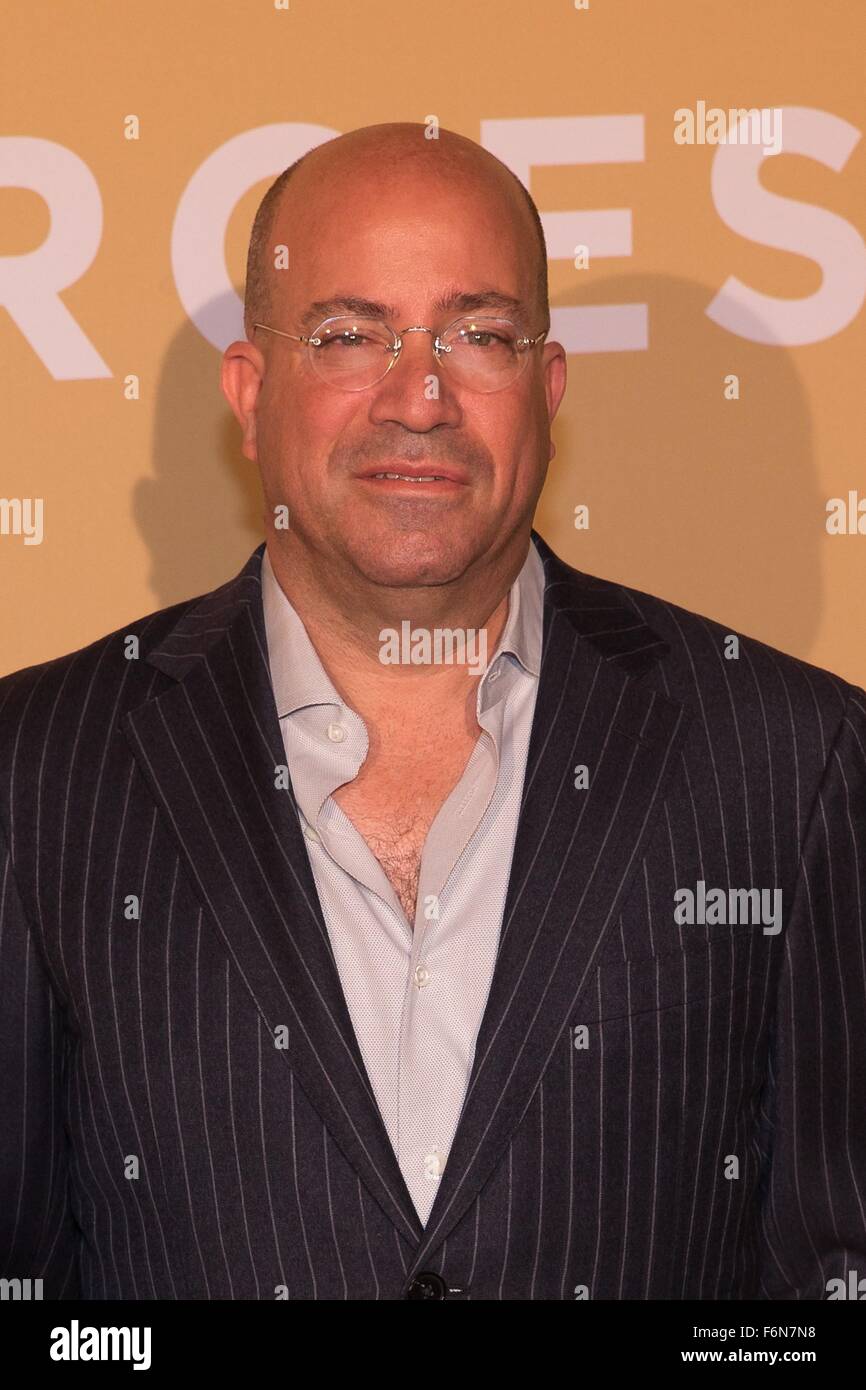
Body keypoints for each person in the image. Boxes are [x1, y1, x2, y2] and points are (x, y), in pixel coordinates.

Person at [1, 122, 864, 1301]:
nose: (420, 396)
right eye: (349, 335)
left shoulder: (787, 755)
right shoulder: (36, 768)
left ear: (547, 390)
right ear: (250, 396)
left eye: (479, 336)